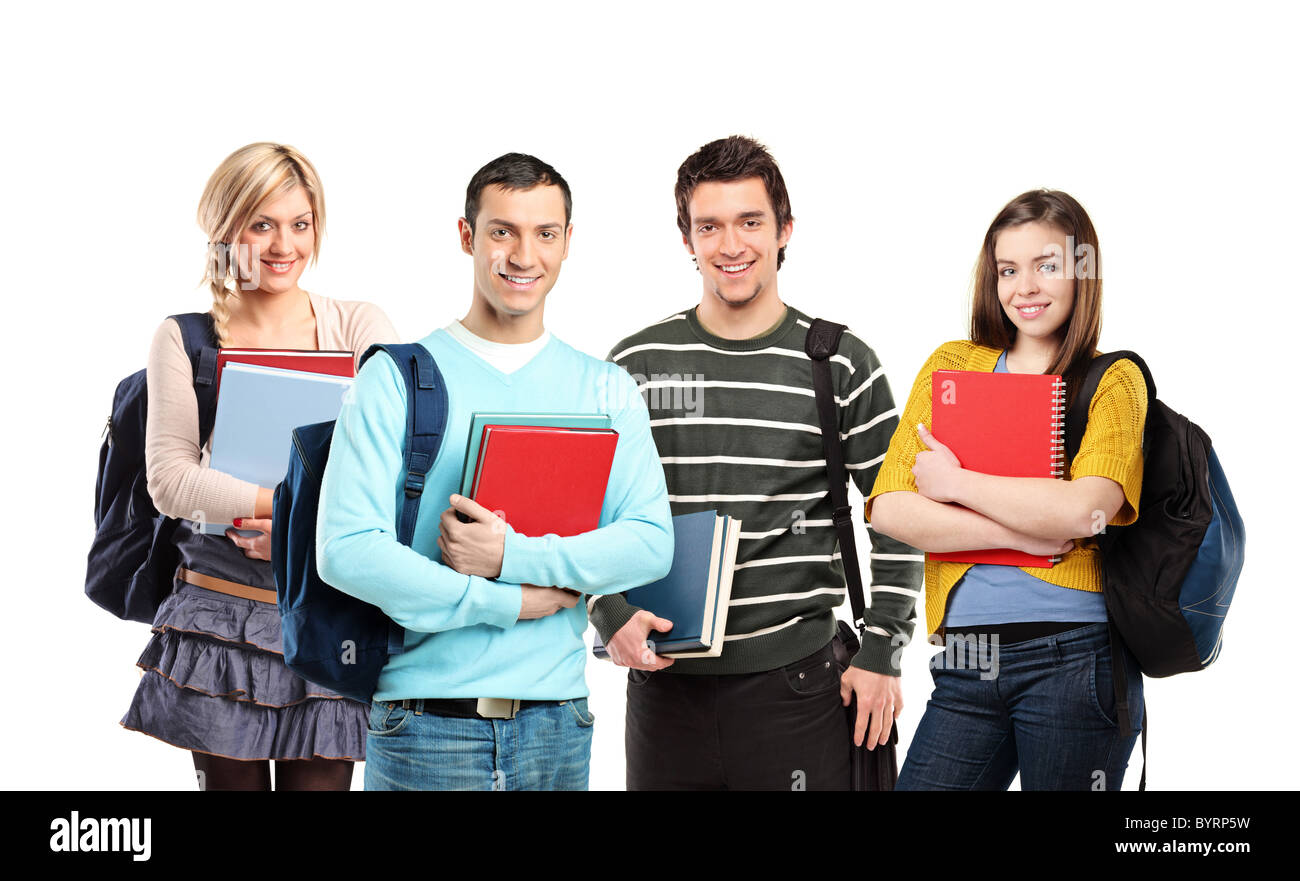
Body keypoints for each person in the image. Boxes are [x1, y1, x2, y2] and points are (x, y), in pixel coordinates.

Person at [315, 152, 673, 791]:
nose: (522, 255)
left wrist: (513, 556)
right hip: (425, 729)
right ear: (466, 236)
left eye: (545, 234)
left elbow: (649, 543)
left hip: (557, 727)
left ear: (567, 245)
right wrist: (506, 603)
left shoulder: (608, 389)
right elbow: (345, 550)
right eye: (502, 231)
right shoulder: (396, 378)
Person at [589, 135, 923, 790]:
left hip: (797, 688)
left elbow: (899, 514)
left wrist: (883, 647)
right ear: (686, 238)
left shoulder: (841, 362)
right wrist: (606, 608)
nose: (731, 244)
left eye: (750, 221)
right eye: (709, 225)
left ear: (784, 230)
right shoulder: (636, 363)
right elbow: (585, 508)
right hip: (664, 692)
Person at [120, 142, 399, 790]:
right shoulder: (184, 338)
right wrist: (297, 507)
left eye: (300, 224)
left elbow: (391, 467)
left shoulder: (359, 325)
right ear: (226, 229)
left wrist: (294, 523)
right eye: (262, 223)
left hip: (328, 609)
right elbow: (170, 479)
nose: (284, 244)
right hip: (224, 610)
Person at [867, 189, 1147, 791]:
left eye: (1047, 266)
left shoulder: (1112, 380)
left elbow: (1084, 509)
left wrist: (957, 483)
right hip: (965, 664)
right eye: (1008, 269)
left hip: (1074, 658)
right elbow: (889, 506)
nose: (1026, 286)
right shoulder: (955, 367)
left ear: (1081, 272)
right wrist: (1023, 533)